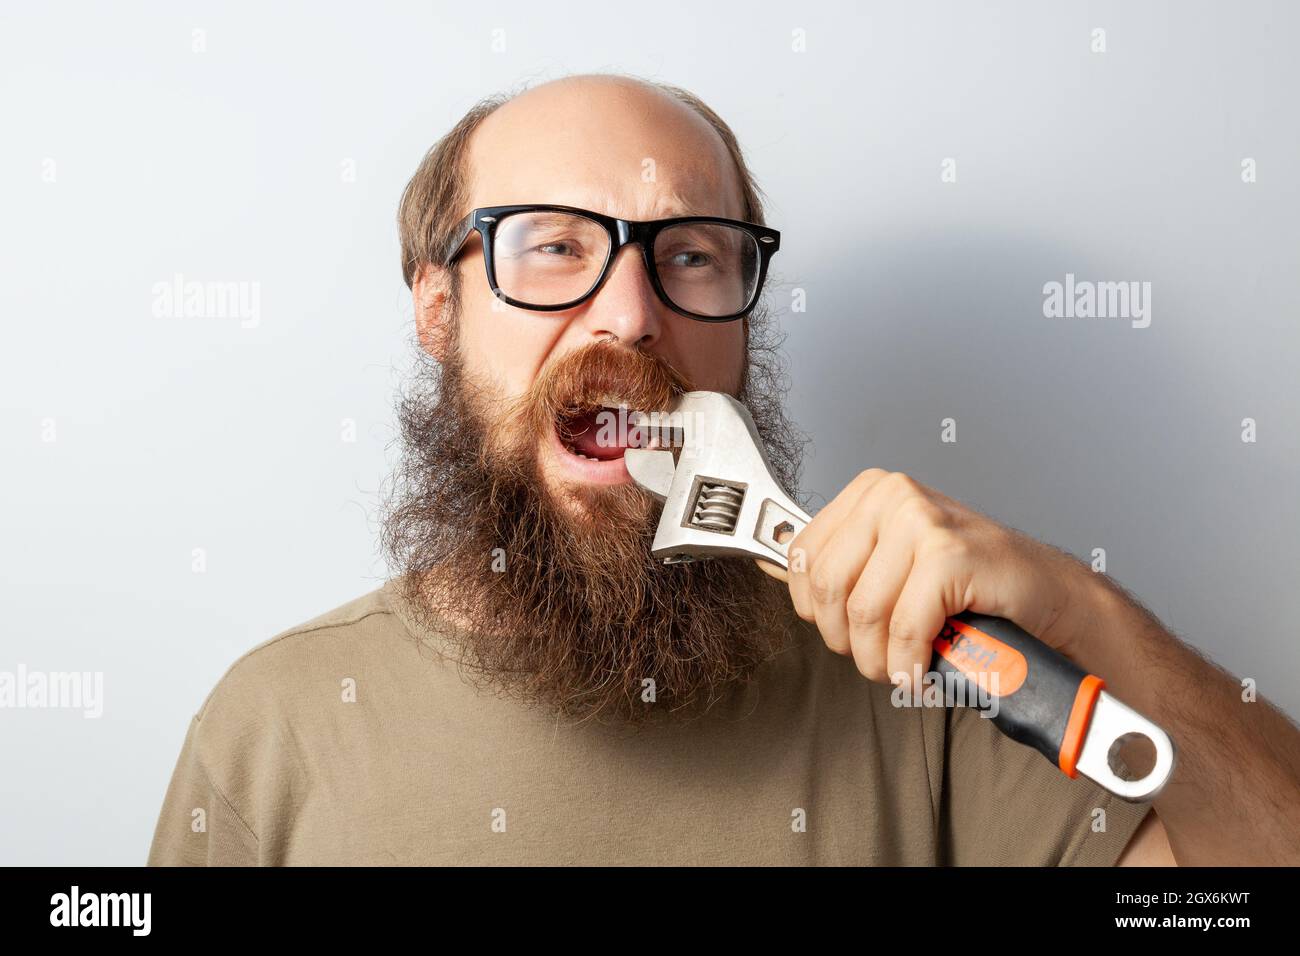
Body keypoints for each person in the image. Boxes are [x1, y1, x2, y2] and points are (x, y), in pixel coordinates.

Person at [147, 73, 1300, 866]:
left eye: (690, 255)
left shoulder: (917, 680)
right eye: (554, 245)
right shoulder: (273, 728)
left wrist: (1077, 604)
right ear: (439, 307)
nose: (630, 313)